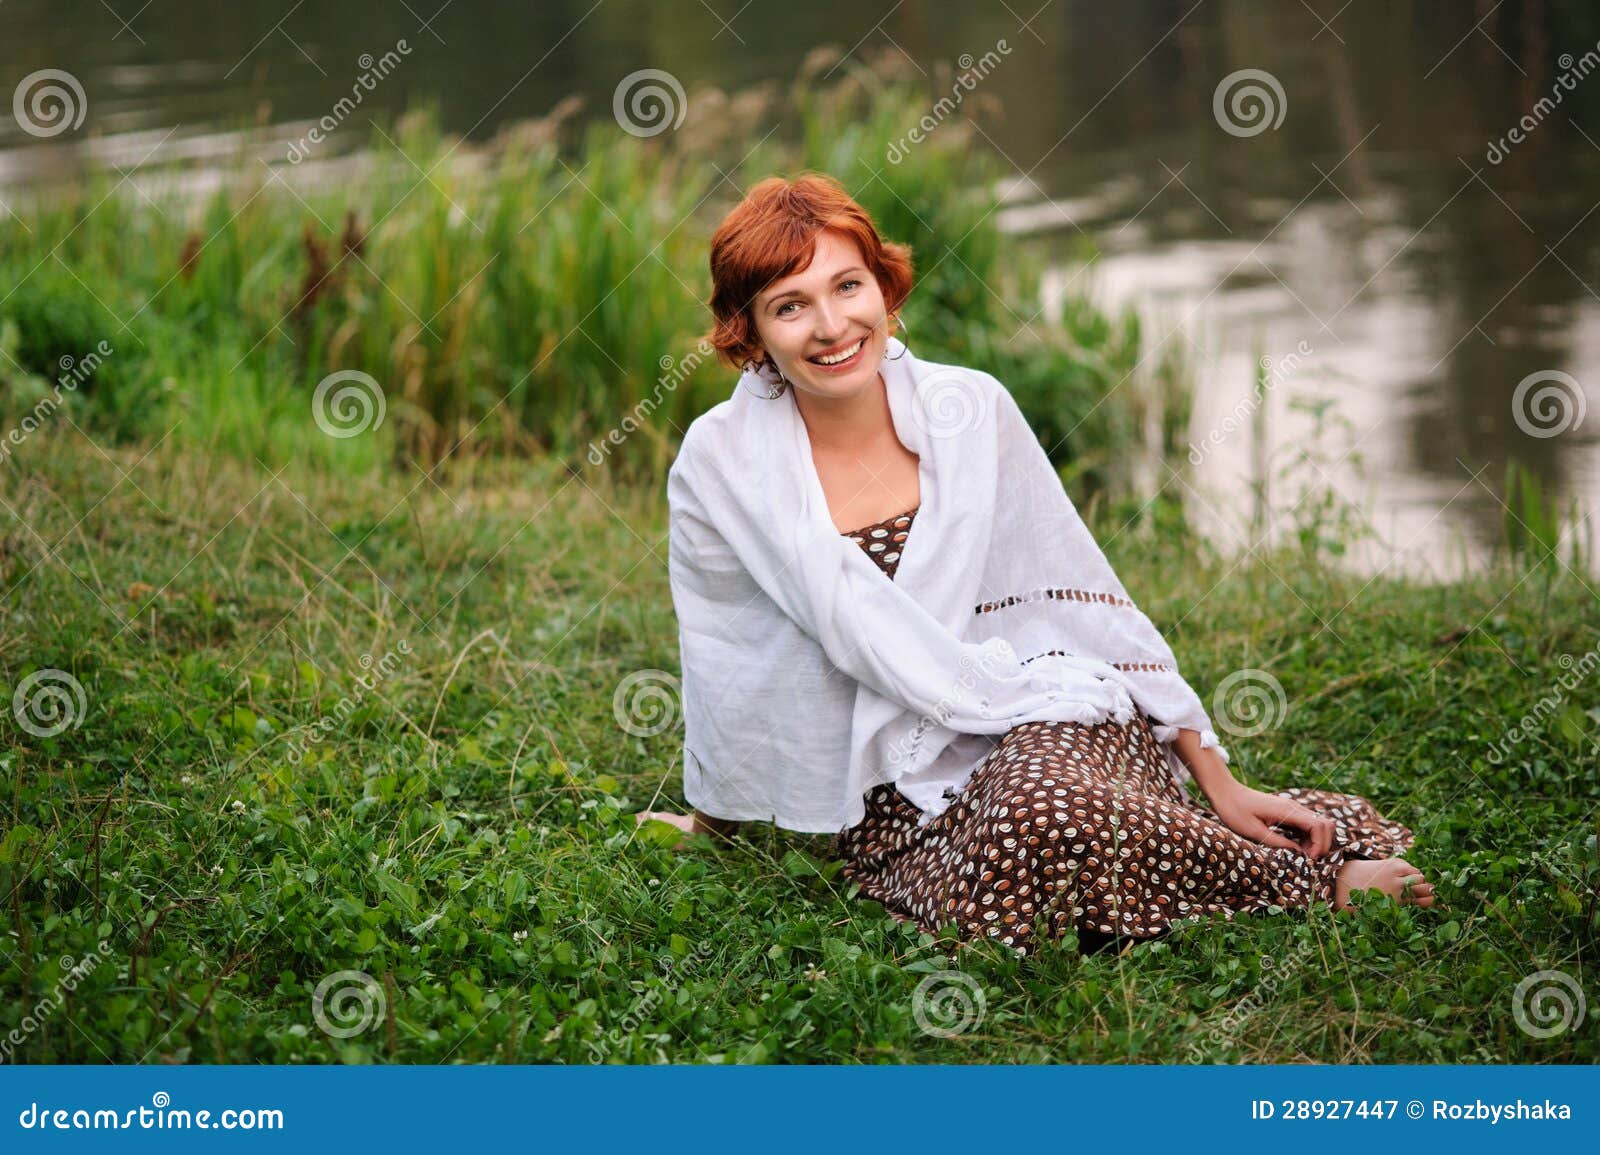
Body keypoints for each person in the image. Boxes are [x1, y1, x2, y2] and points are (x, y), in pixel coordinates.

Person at [637, 172, 1435, 956]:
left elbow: (1092, 612)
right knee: (1035, 825)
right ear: (751, 332)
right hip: (895, 789)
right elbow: (733, 656)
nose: (831, 325)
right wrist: (712, 823)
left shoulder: (969, 409)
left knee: (1045, 798)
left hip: (1038, 702)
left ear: (884, 287)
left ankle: (1321, 877)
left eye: (848, 286)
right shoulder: (724, 460)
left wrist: (1220, 783)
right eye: (790, 305)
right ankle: (1287, 879)